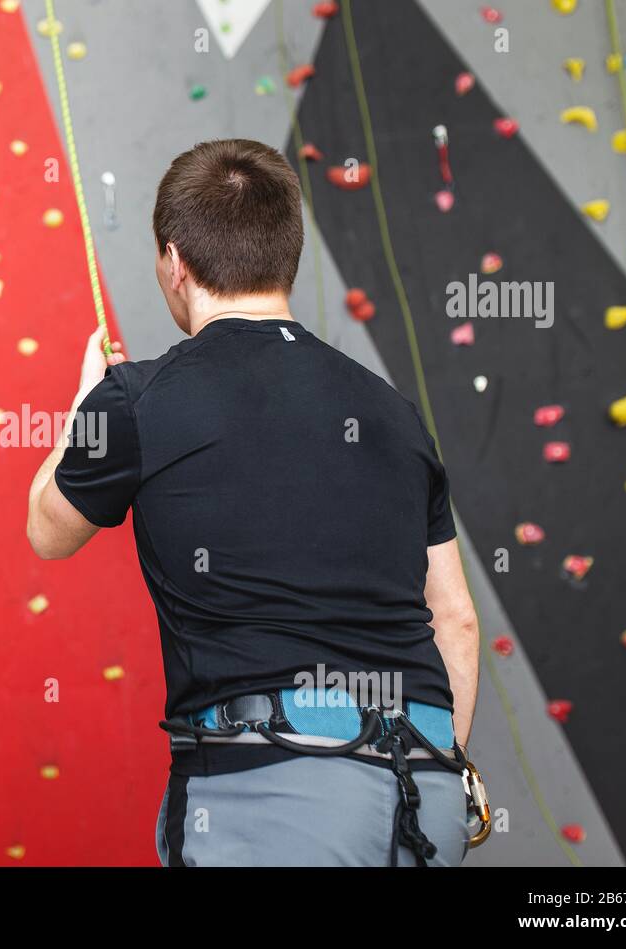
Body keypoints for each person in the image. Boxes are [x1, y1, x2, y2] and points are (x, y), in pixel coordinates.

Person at [26, 139, 480, 866]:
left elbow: (48, 529)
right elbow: (454, 618)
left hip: (274, 795)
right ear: (286, 259)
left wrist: (82, 407)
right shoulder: (394, 412)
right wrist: (442, 765)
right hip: (425, 795)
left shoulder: (136, 400)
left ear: (175, 262)